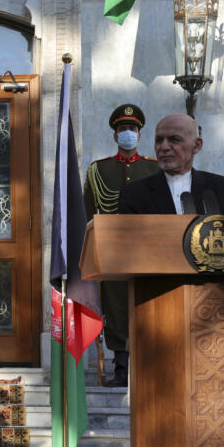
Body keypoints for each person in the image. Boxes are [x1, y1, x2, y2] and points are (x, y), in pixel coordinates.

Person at [83, 104, 160, 387]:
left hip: (147, 249)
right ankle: (122, 368)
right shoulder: (98, 170)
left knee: (148, 304)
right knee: (115, 306)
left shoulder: (154, 168)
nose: (127, 133)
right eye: (122, 129)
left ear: (140, 134)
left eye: (132, 129)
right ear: (115, 136)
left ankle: (149, 366)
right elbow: (88, 214)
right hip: (113, 250)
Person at [119, 113, 224, 215]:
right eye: (159, 140)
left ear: (197, 145)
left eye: (174, 139)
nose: (164, 147)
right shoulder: (133, 193)